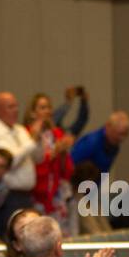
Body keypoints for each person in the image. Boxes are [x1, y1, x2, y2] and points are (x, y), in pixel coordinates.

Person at [0, 92, 42, 235]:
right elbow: (8, 162)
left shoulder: (19, 129)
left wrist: (38, 139)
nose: (16, 110)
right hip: (6, 196)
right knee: (12, 238)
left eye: (16, 106)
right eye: (10, 107)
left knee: (28, 238)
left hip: (25, 195)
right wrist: (32, 140)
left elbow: (38, 158)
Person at [25, 93, 75, 225]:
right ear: (33, 112)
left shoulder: (57, 133)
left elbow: (67, 169)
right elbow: (32, 161)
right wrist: (53, 153)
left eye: (48, 107)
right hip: (36, 192)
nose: (47, 111)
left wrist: (63, 152)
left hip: (56, 189)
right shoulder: (26, 133)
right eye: (42, 108)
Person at [70, 111, 129, 175]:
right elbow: (70, 166)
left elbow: (104, 172)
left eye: (125, 134)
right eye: (119, 134)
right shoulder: (91, 143)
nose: (122, 138)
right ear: (108, 127)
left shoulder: (114, 145)